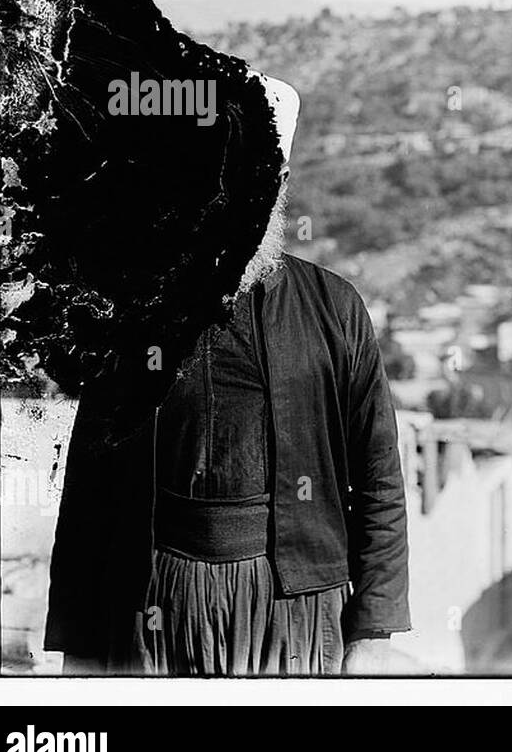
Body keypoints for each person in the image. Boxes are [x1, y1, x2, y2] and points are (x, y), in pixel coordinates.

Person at [44, 76, 410, 675]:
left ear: (280, 189)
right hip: (153, 602)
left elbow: (379, 482)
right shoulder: (135, 311)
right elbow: (91, 483)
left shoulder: (334, 308)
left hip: (295, 605)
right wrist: (79, 644)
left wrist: (374, 632)